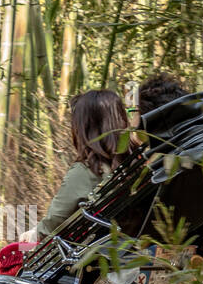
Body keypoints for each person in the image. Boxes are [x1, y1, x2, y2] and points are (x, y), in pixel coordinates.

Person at [20, 89, 134, 243]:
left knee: (6, 260)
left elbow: (54, 221)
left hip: (94, 255)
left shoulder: (87, 172)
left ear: (85, 129)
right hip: (131, 247)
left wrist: (30, 236)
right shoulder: (133, 165)